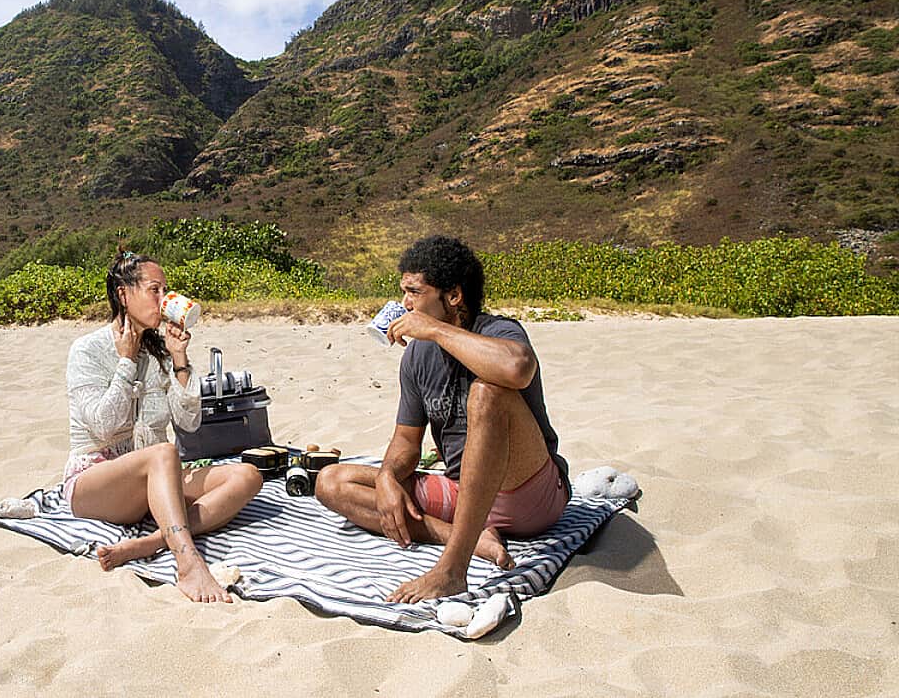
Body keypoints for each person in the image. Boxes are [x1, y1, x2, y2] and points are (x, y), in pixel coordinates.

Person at [316, 235, 570, 603]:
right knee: (331, 481)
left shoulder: (496, 331)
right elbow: (406, 441)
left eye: (415, 292)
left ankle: (453, 569)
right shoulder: (417, 357)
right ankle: (466, 536)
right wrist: (387, 477)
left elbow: (517, 369)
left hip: (528, 493)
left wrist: (434, 329)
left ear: (453, 296)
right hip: (462, 491)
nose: (405, 304)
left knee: (487, 392)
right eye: (403, 292)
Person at [63, 248, 263, 603]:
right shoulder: (87, 350)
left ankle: (154, 540)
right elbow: (103, 427)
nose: (164, 299)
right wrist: (125, 363)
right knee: (163, 453)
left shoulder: (158, 353)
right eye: (155, 290)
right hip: (97, 482)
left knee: (248, 475)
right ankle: (188, 563)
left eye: (165, 290)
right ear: (124, 295)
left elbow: (189, 423)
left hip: (156, 481)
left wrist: (180, 360)